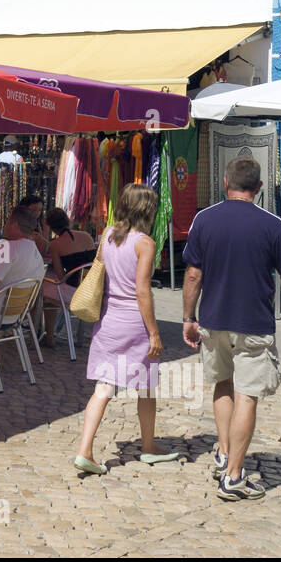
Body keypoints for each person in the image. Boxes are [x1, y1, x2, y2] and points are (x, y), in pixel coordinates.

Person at [181, 157, 281, 502]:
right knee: (247, 394)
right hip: (252, 322)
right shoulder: (273, 225)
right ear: (259, 188)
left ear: (225, 183)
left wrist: (187, 317)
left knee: (223, 384)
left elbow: (193, 275)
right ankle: (234, 476)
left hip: (212, 319)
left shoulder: (204, 219)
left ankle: (225, 454)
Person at [73, 185, 180, 474]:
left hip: (108, 320)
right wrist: (154, 332)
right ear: (147, 211)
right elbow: (142, 291)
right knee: (146, 387)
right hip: (134, 323)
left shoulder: (107, 235)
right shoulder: (144, 243)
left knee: (103, 387)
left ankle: (85, 450)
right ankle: (148, 446)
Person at [48, 208, 96, 281]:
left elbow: (61, 276)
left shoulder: (54, 245)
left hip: (74, 286)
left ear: (51, 227)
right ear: (67, 221)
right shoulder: (87, 236)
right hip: (93, 282)